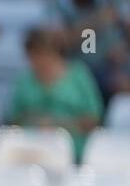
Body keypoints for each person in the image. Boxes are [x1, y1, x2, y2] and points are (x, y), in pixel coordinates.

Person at [6, 28, 104, 162]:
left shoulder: (79, 76)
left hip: (75, 154)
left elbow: (93, 119)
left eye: (43, 53)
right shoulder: (24, 82)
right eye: (34, 55)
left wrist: (58, 125)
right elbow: (14, 121)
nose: (39, 60)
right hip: (31, 153)